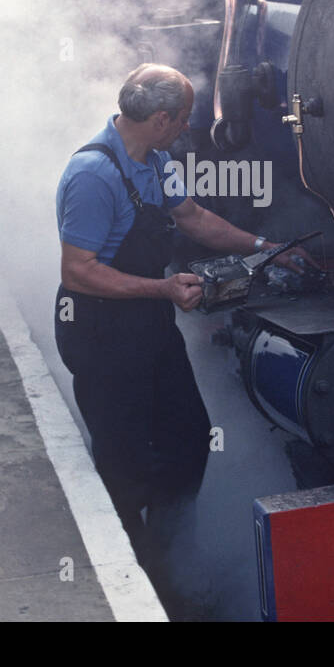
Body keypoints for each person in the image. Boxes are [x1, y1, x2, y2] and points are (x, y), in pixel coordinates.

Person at [54, 64, 315, 564]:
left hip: (150, 320)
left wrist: (268, 247)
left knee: (189, 437)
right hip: (101, 330)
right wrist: (165, 287)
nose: (187, 129)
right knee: (124, 457)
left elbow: (193, 218)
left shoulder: (154, 161)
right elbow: (78, 272)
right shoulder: (92, 174)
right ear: (159, 118)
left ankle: (173, 549)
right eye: (183, 119)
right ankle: (129, 565)